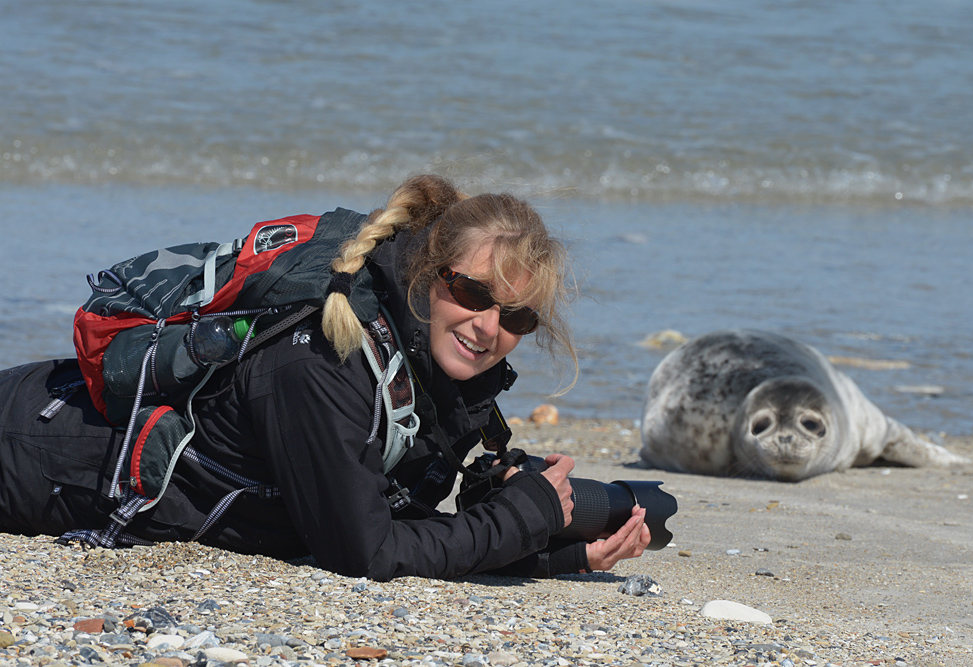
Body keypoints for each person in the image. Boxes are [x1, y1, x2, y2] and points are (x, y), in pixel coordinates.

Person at [0, 174, 650, 581]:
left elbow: (396, 516)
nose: (487, 326)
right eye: (472, 292)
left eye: (516, 314)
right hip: (30, 449)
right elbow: (363, 551)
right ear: (428, 273)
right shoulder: (324, 357)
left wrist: (554, 544)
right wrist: (519, 521)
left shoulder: (424, 368)